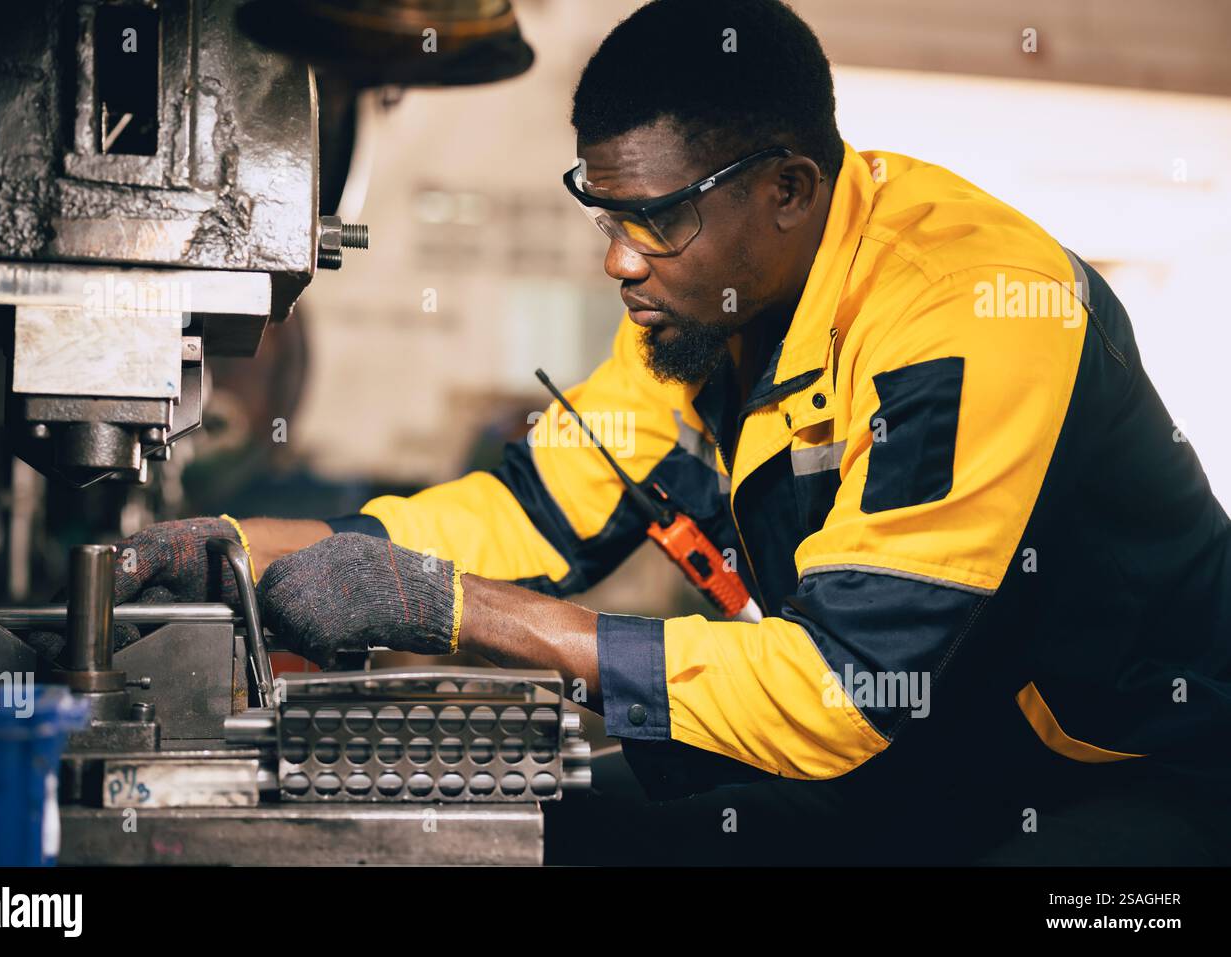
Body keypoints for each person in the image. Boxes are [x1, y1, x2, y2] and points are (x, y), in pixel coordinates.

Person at [103, 0, 1231, 864]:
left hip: (1128, 766)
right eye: (606, 216)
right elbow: (539, 508)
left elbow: (842, 692)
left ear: (789, 189)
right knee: (571, 831)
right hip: (938, 746)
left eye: (658, 220)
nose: (619, 261)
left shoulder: (965, 316)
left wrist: (470, 615)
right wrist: (276, 551)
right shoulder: (703, 312)